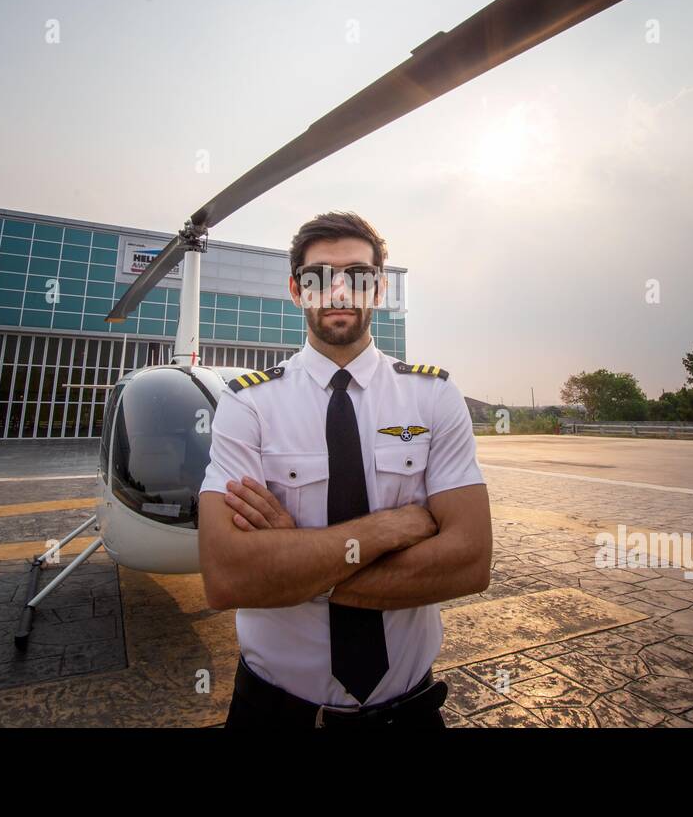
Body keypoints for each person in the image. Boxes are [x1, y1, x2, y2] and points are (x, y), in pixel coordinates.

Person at [198, 210, 491, 727]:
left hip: (409, 715)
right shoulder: (248, 405)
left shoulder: (434, 396)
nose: (338, 292)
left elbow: (468, 562)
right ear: (297, 290)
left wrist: (294, 566)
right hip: (275, 714)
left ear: (377, 289)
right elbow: (227, 576)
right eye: (318, 277)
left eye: (356, 276)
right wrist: (392, 527)